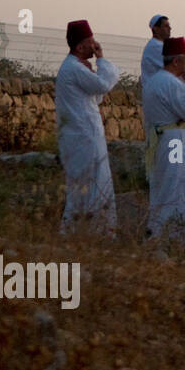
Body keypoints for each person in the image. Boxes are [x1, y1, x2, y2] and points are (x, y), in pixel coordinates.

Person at [55, 20, 121, 232]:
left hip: (83, 135)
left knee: (91, 183)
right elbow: (103, 85)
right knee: (88, 184)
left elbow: (95, 97)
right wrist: (102, 60)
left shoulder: (75, 67)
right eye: (91, 42)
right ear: (80, 46)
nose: (95, 45)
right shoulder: (73, 68)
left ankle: (92, 231)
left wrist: (93, 69)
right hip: (82, 137)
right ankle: (85, 232)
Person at [143, 36, 185, 240]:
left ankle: (166, 231)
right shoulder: (172, 83)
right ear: (176, 61)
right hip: (174, 142)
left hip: (163, 139)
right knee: (175, 183)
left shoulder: (154, 81)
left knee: (165, 184)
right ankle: (170, 234)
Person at [141, 15, 170, 84]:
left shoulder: (158, 45)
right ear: (156, 28)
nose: (170, 28)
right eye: (166, 26)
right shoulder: (156, 46)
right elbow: (176, 67)